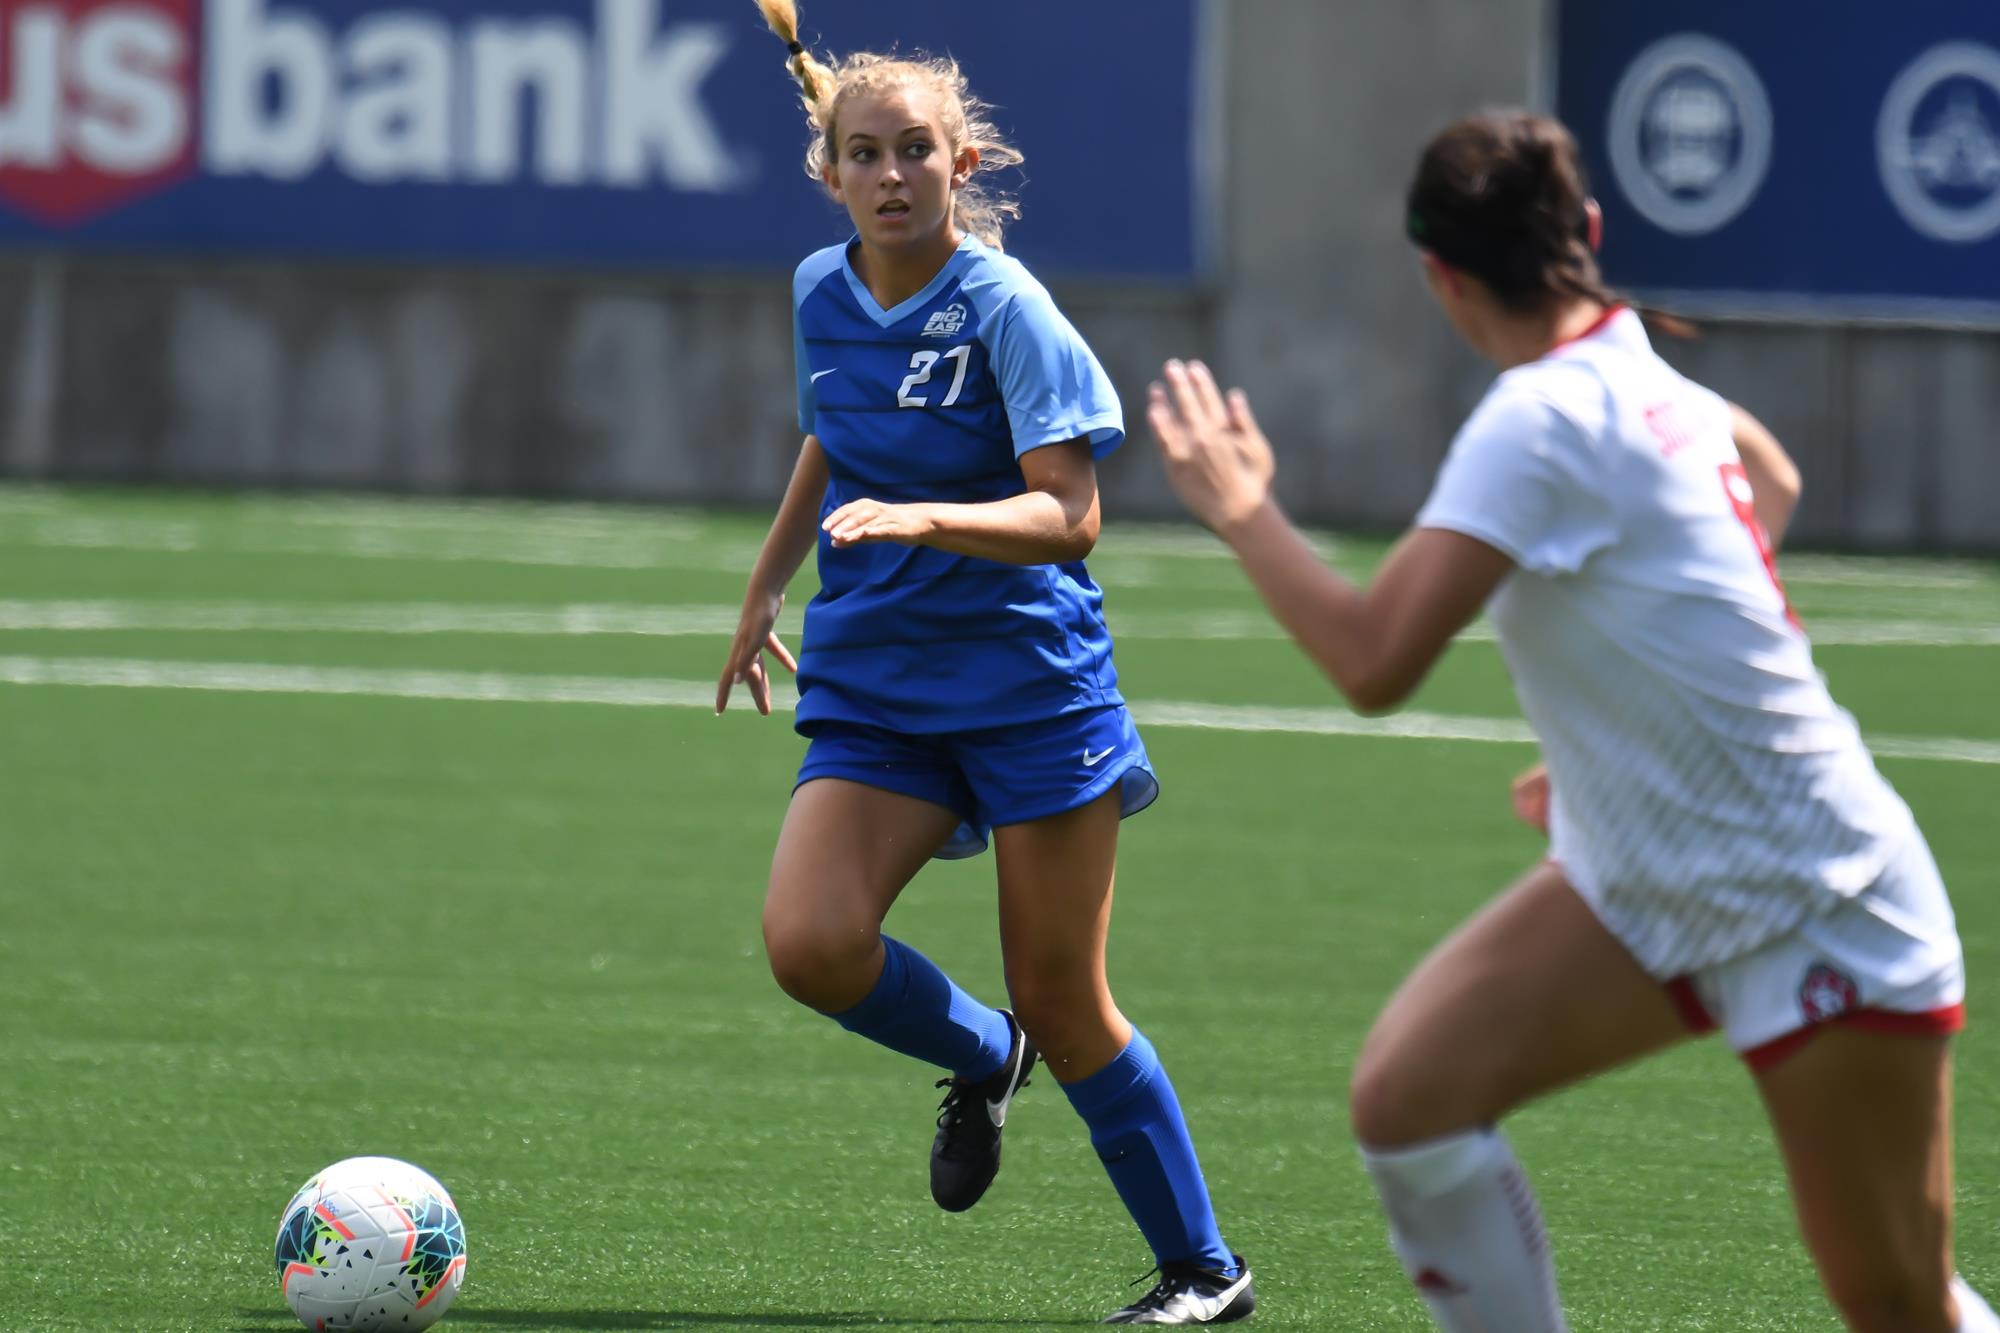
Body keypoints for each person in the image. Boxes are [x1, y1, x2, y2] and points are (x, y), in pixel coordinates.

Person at [1143, 107, 1989, 1333]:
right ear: (1583, 232)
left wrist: (1240, 509)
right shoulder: (1631, 366)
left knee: (1900, 1306)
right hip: (1654, 876)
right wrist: (1618, 741)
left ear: (1437, 276)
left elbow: (1374, 660)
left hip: (1817, 895)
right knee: (1408, 1098)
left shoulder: (1535, 419)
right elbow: (1775, 481)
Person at [715, 2, 1254, 1323]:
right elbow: (834, 435)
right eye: (865, 154)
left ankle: (1203, 1273)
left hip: (1026, 690)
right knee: (812, 942)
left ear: (962, 166)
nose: (891, 175)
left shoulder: (1005, 307)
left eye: (915, 152)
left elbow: (1070, 514)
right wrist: (765, 579)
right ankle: (981, 1052)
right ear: (827, 171)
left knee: (1071, 1001)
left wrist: (929, 517)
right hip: (881, 682)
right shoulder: (817, 292)